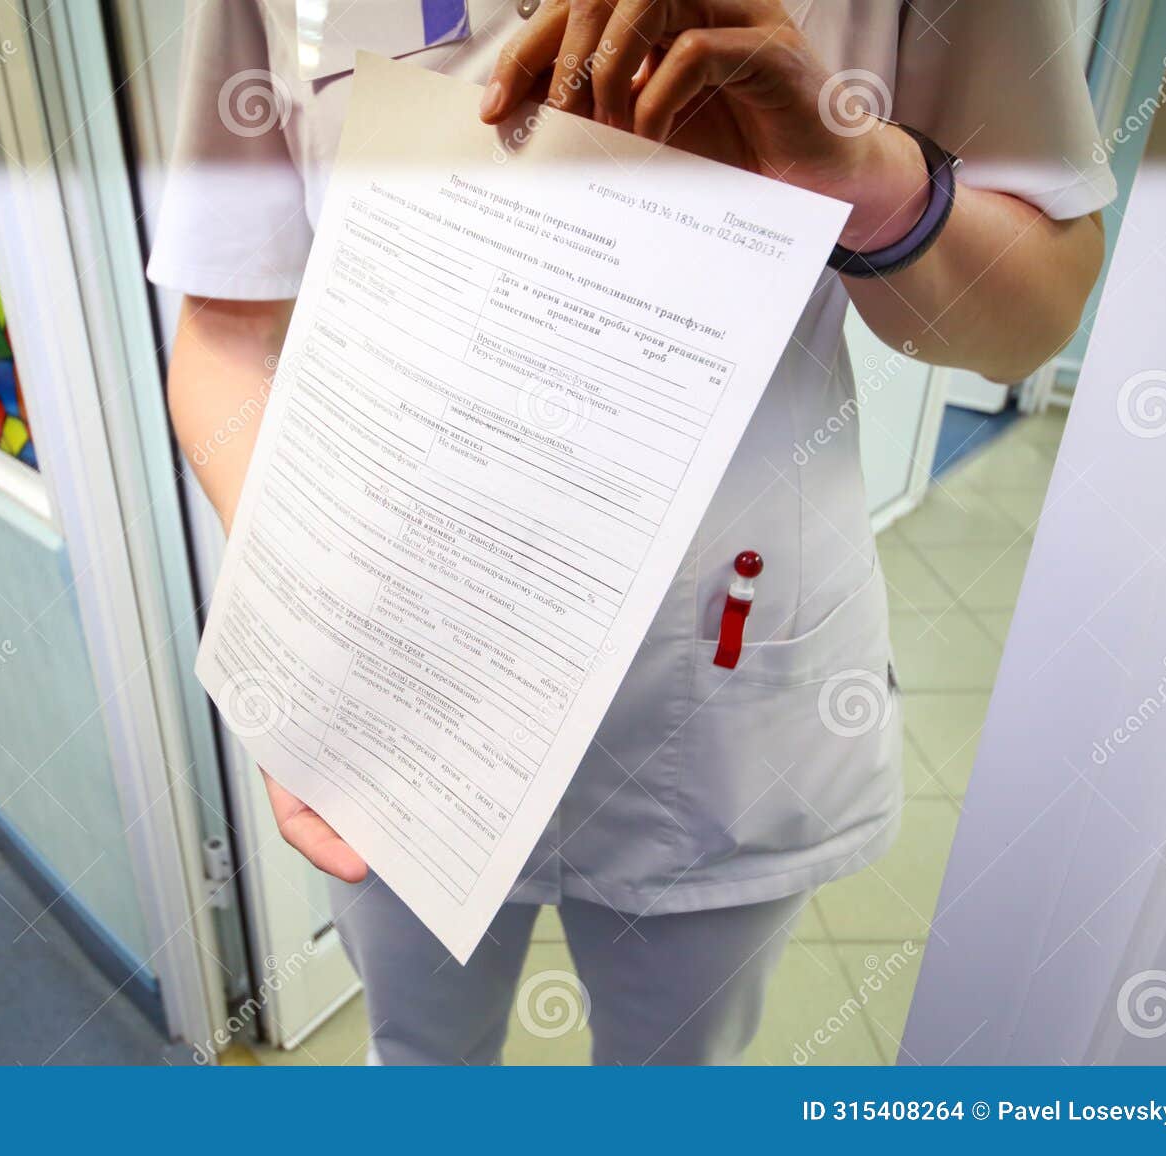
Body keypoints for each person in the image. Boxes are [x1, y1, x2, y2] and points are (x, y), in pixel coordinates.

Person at [149, 0, 1111, 1064]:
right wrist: (301, 623)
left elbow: (1032, 319)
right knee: (420, 1068)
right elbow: (226, 328)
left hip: (718, 696)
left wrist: (869, 182)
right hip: (395, 697)